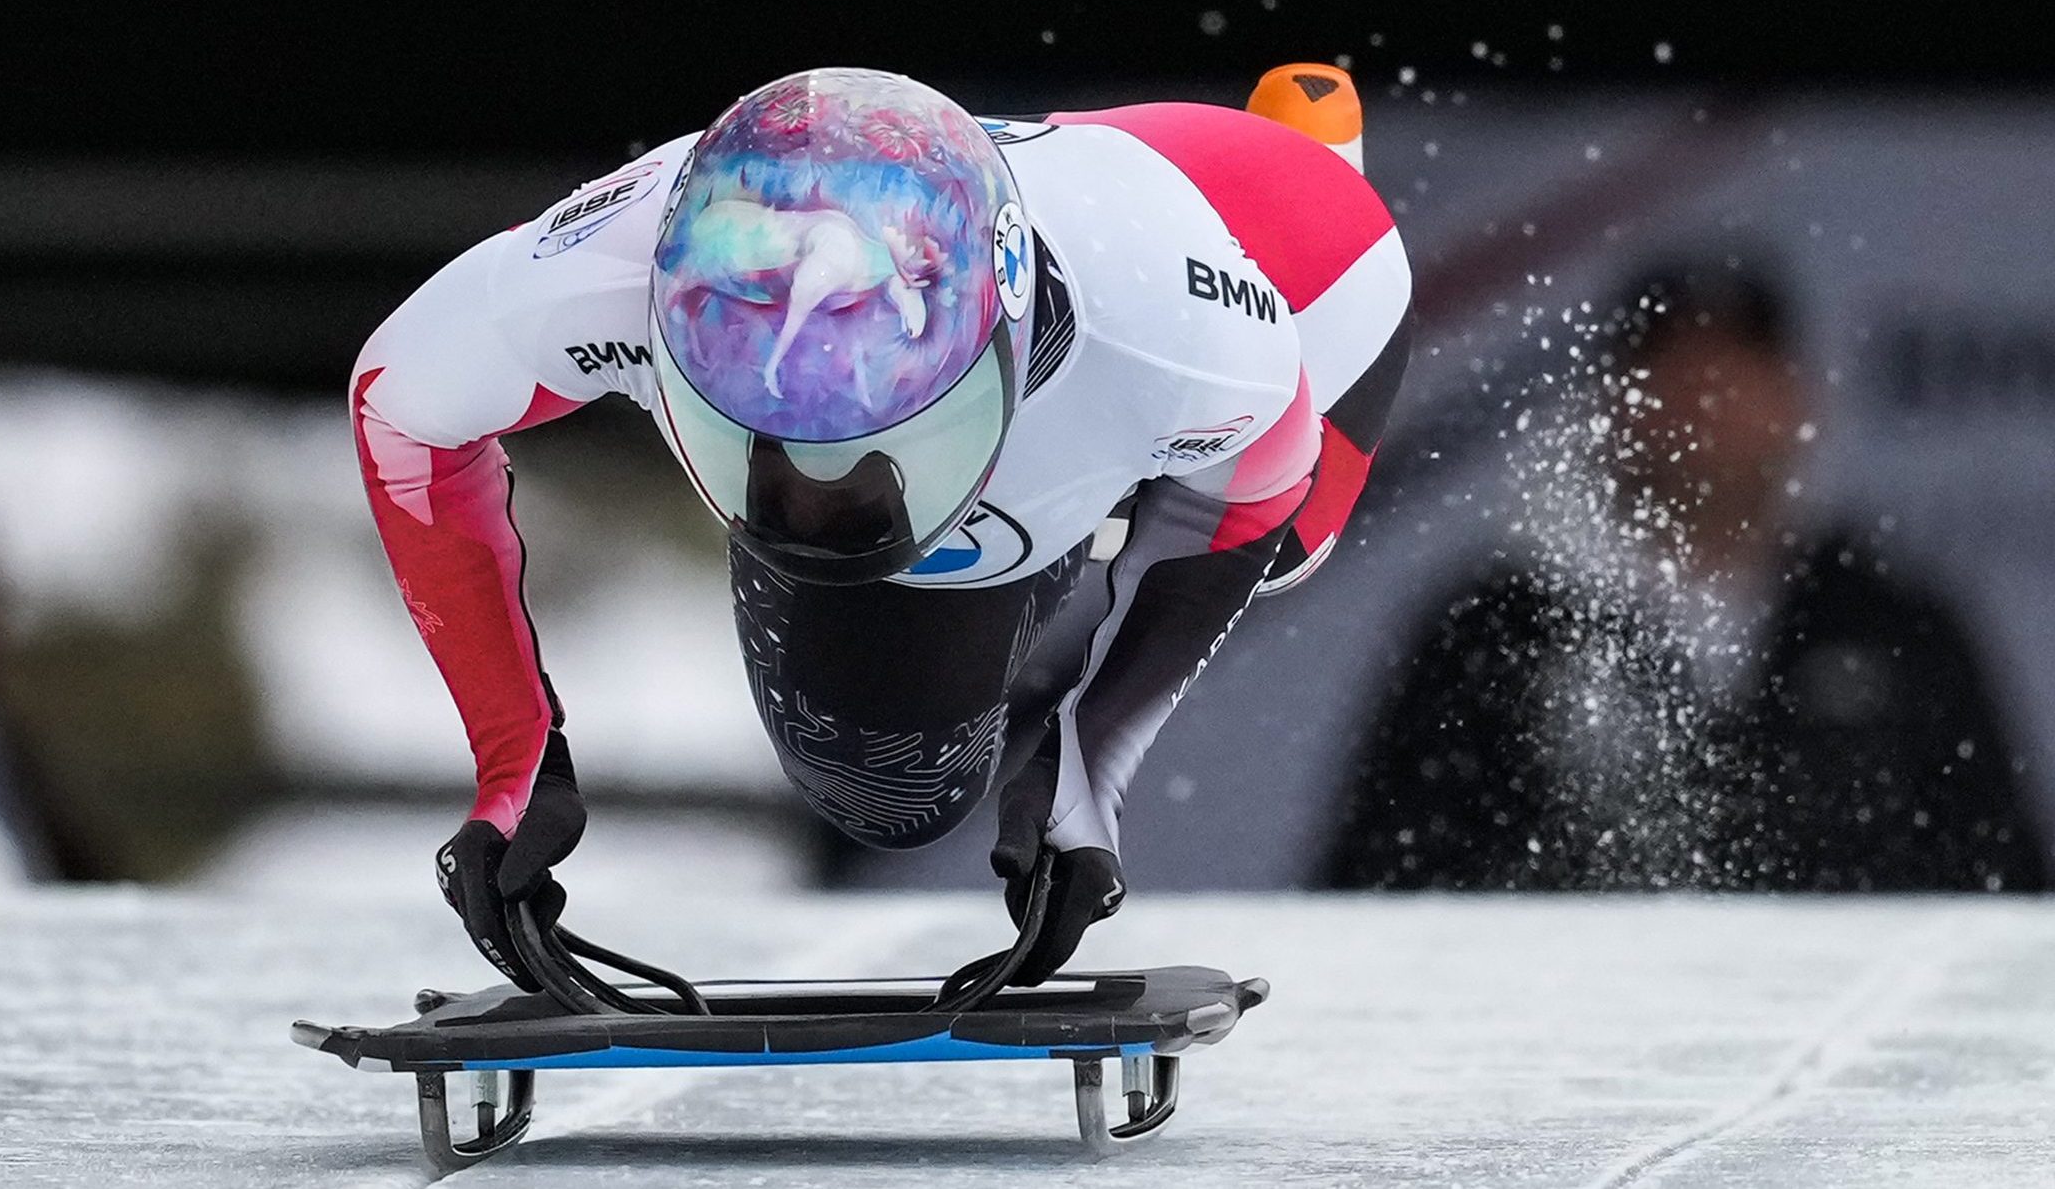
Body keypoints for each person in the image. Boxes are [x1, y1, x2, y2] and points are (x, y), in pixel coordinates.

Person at [351, 66, 1412, 988]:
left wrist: (1093, 766)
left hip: (1299, 263)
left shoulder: (1186, 349)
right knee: (886, 793)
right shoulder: (620, 268)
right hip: (1078, 237)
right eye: (763, 445)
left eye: (875, 447)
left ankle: (1307, 138)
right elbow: (399, 406)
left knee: (1285, 546)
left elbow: (1259, 483)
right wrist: (515, 760)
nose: (813, 502)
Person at [1331, 259, 2044, 890]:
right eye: (1672, 373)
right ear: (1613, 406)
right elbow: (1381, 886)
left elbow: (2001, 887)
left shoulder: (1898, 626)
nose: (1705, 405)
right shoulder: (1496, 631)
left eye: (1735, 375)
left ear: (1799, 402)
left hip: (1838, 1024)